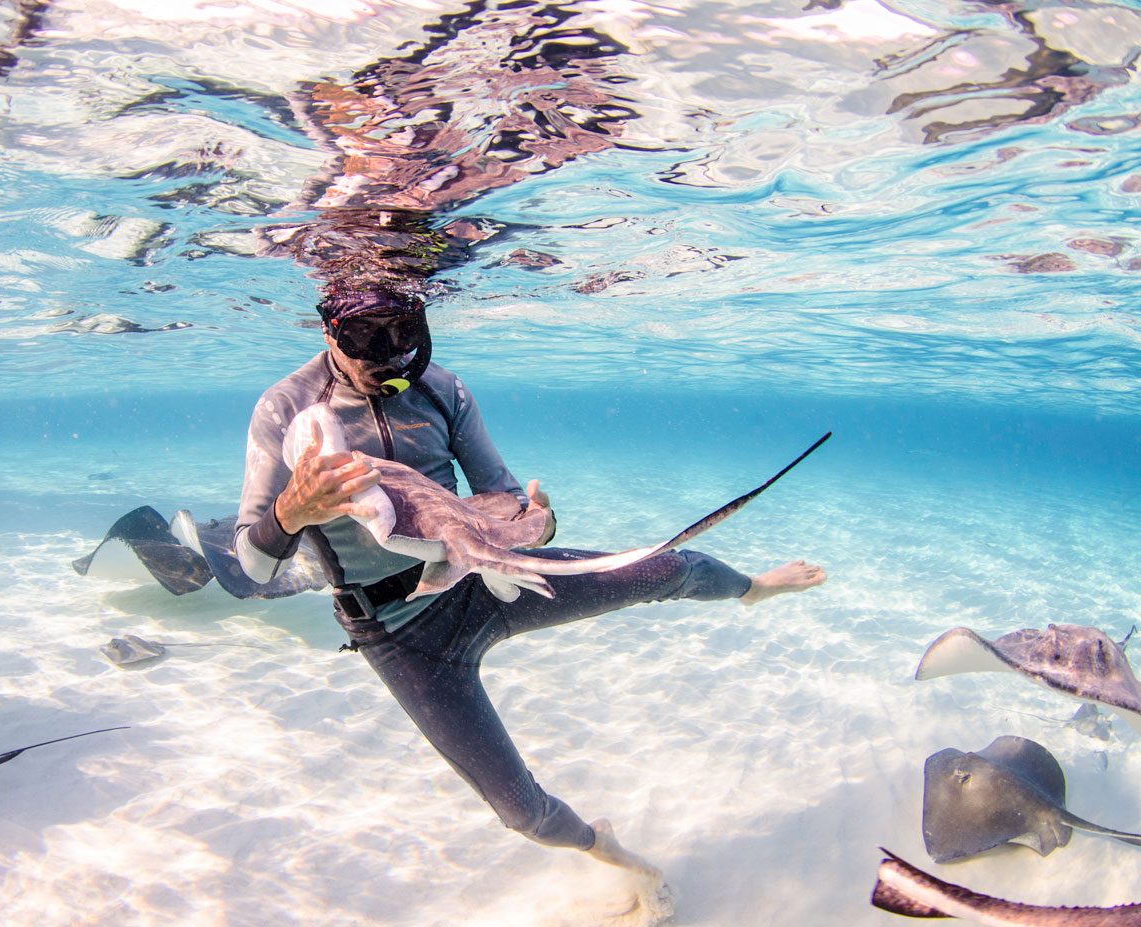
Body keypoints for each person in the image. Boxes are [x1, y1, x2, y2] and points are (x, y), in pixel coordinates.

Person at [234, 290, 826, 883]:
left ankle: (751, 588)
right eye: (365, 338)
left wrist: (536, 520)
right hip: (398, 630)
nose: (388, 357)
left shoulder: (444, 389)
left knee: (670, 567)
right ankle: (613, 854)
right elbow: (251, 567)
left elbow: (512, 503)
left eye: (403, 333)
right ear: (329, 329)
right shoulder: (286, 407)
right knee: (523, 813)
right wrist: (291, 510)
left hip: (488, 574)